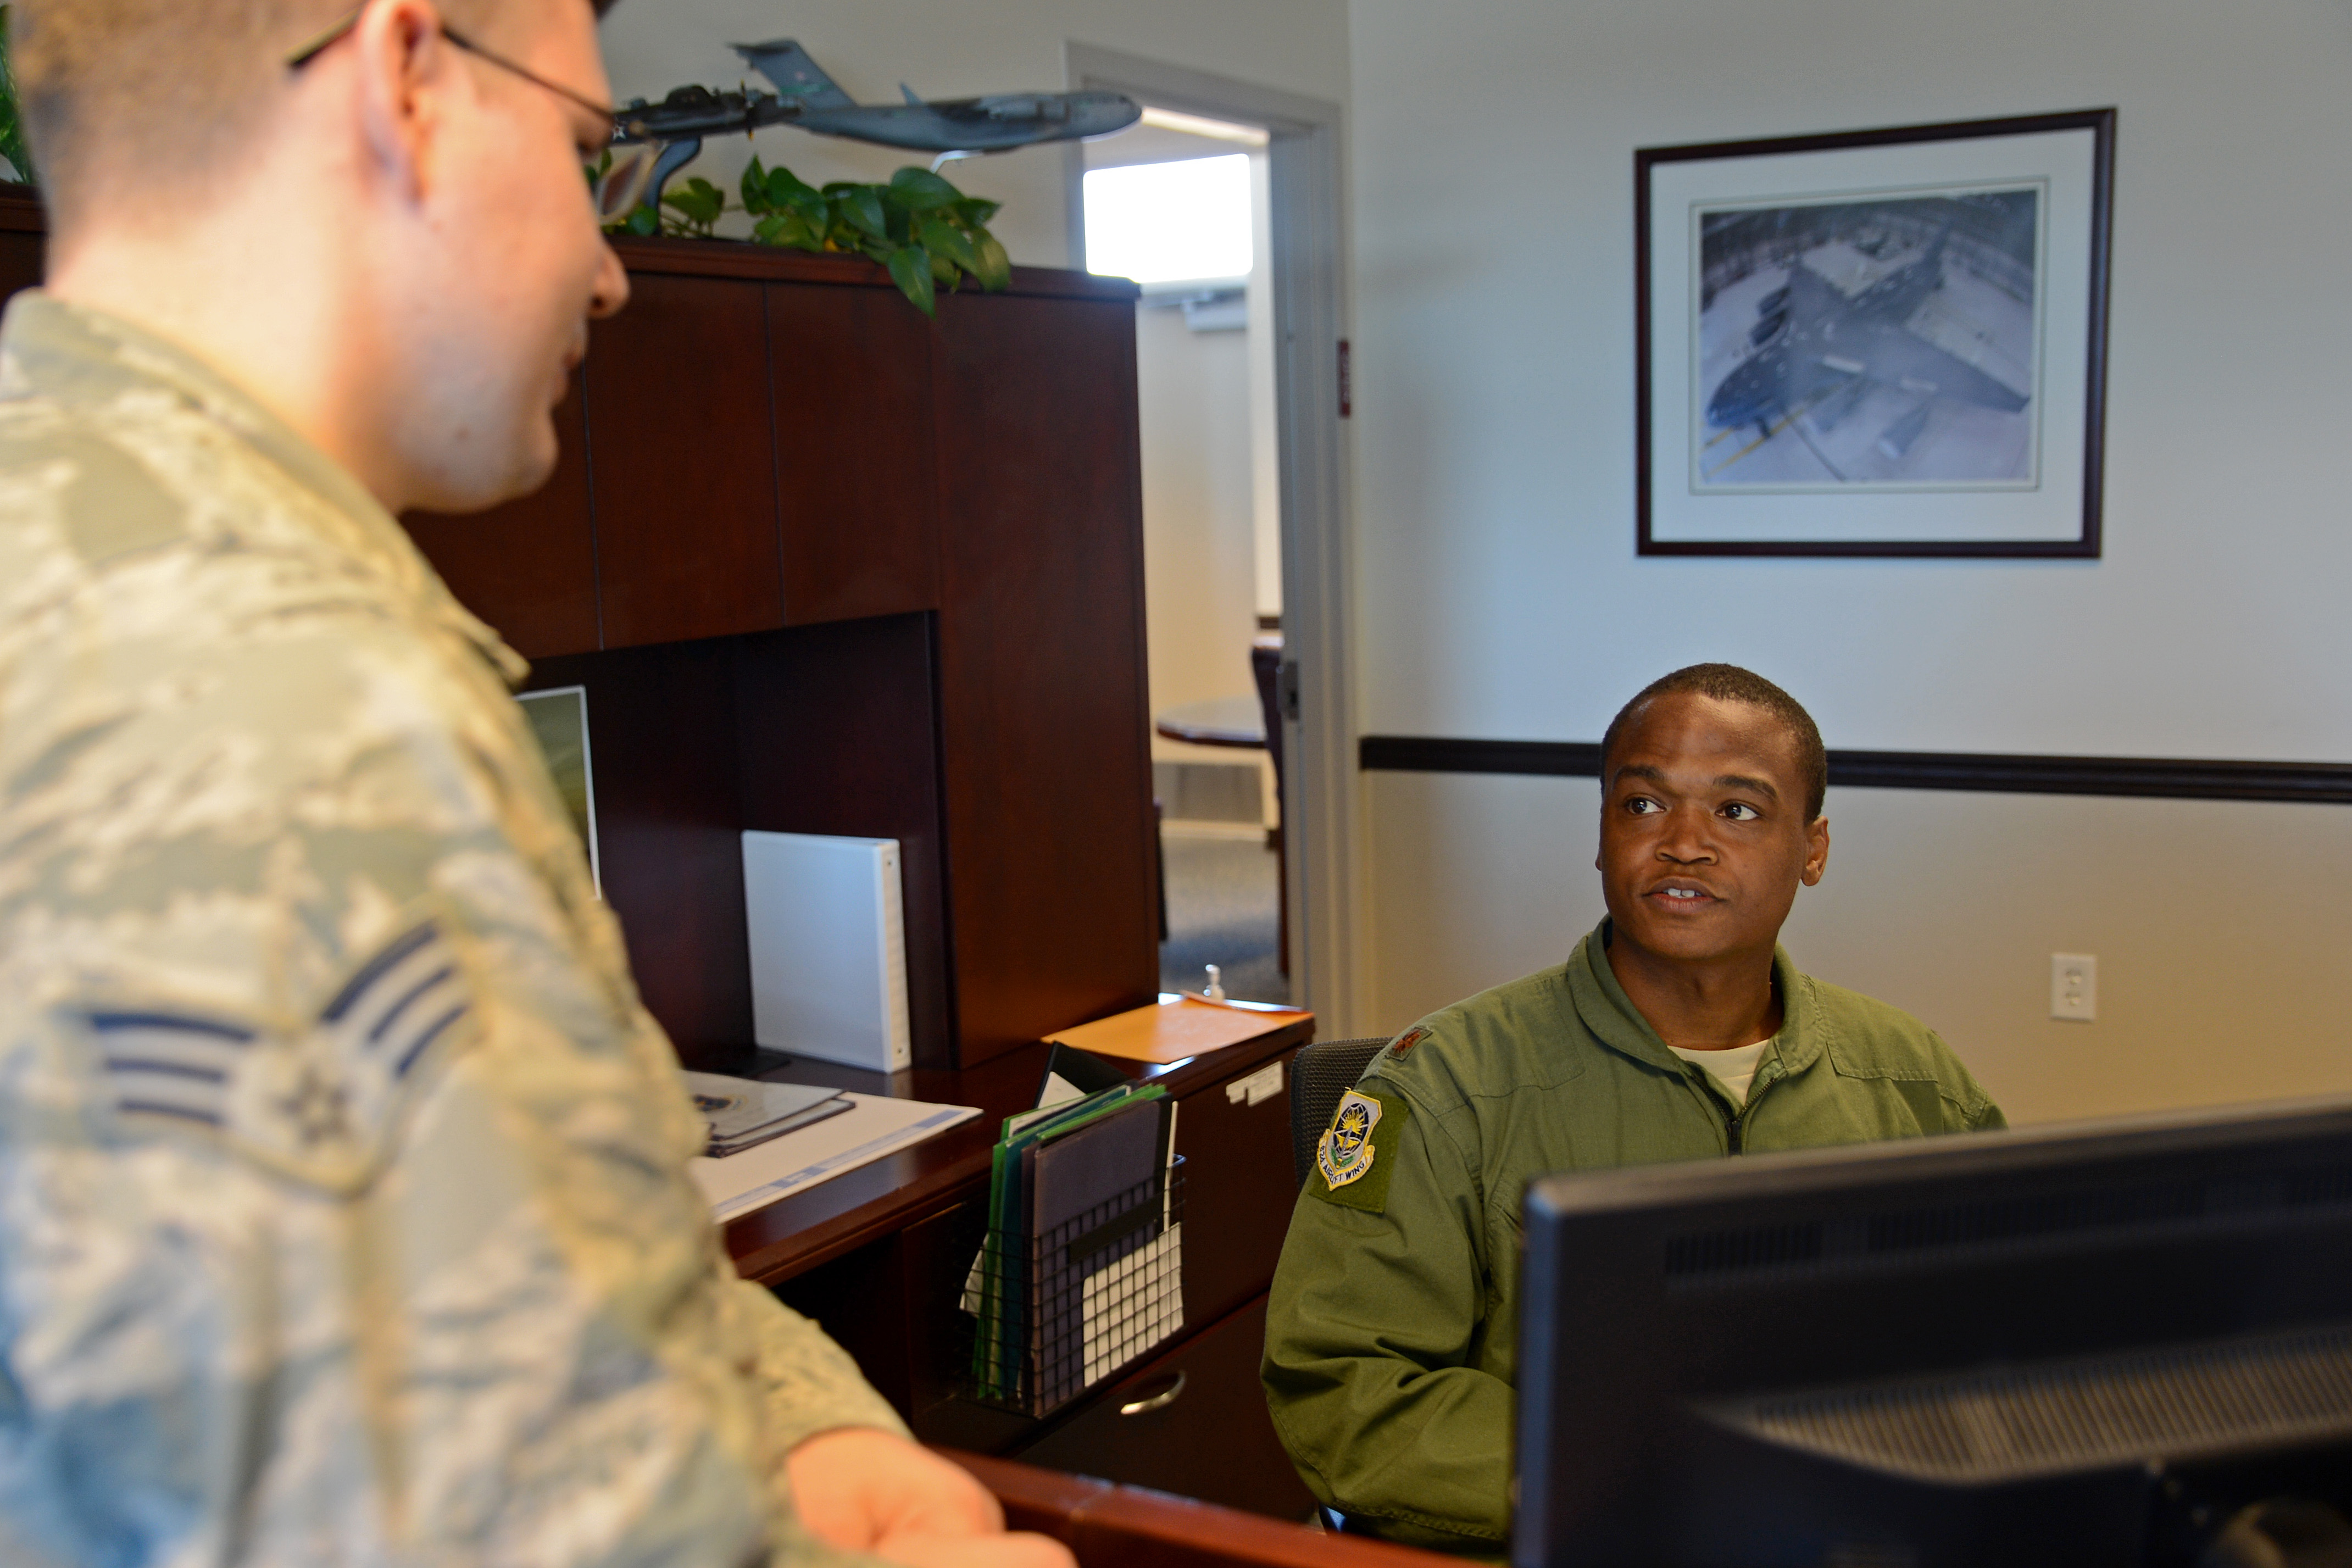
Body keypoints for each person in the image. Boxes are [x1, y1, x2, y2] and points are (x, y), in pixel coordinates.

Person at [0, 3, 1069, 1565]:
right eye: (590, 153)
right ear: (406, 78)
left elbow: (541, 1265)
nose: (609, 263)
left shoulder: (95, 570)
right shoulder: (298, 711)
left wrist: (798, 1426)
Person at [1261, 664, 2005, 1554]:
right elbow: (1345, 1380)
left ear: (1813, 849)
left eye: (1737, 810)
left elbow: (2006, 1345)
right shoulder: (1446, 1084)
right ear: (1602, 833)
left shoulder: (1914, 1082)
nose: (1682, 844)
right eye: (1643, 805)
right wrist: (1628, 1474)